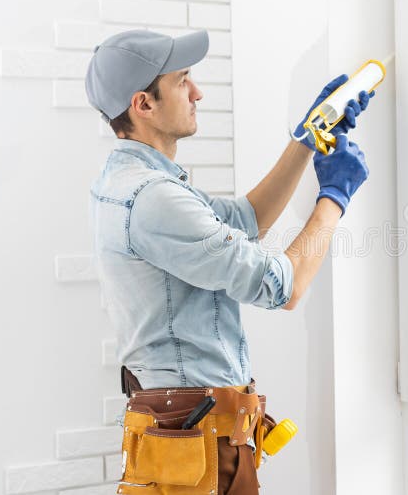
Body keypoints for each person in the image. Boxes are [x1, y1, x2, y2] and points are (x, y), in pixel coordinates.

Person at [85, 29, 371, 494]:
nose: (197, 92)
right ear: (144, 104)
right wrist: (334, 197)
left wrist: (304, 140)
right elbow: (286, 286)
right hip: (197, 443)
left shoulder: (129, 182)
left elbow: (243, 220)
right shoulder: (154, 199)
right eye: (182, 81)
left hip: (189, 435)